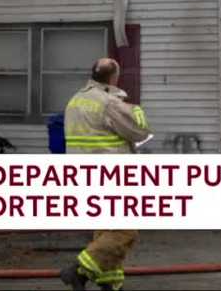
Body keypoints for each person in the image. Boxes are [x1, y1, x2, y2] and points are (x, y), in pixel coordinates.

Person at [59, 58, 153, 291]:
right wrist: (134, 109)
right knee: (124, 230)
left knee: (106, 229)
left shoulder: (75, 100)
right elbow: (140, 131)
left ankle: (109, 282)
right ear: (114, 77)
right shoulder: (108, 102)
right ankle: (79, 270)